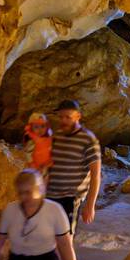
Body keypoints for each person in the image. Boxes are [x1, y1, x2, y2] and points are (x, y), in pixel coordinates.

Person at [46, 99, 101, 234]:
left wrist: (90, 205)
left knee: (66, 239)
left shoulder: (88, 140)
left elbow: (95, 174)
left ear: (78, 117)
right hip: (50, 195)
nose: (63, 121)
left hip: (71, 198)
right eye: (61, 117)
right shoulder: (56, 136)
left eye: (68, 117)